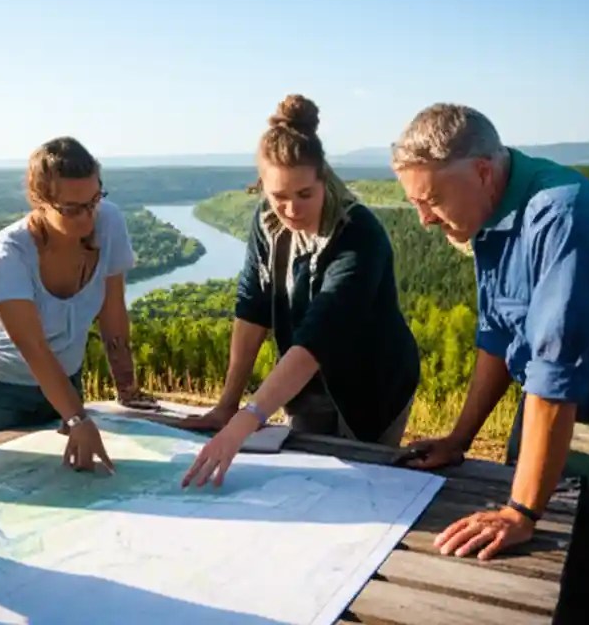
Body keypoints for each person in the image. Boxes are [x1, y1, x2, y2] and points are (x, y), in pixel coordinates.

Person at [388, 103, 589, 623]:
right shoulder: (489, 210)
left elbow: (556, 370)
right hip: (544, 412)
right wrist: (460, 439)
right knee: (528, 587)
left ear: (482, 171)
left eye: (432, 199)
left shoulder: (562, 215)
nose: (425, 219)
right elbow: (499, 336)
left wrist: (522, 511)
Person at [180, 94, 421, 488]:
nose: (291, 209)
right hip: (303, 381)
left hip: (372, 383)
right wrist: (227, 405)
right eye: (278, 197)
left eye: (305, 194)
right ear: (262, 188)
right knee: (306, 477)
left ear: (323, 179)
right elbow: (252, 307)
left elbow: (321, 336)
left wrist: (246, 421)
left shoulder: (359, 235)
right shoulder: (267, 222)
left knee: (359, 483)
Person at [0, 137, 148, 471]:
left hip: (66, 382)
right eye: (72, 209)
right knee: (4, 488)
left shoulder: (109, 222)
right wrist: (77, 419)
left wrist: (127, 388)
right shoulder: (9, 253)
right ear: (38, 200)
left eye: (94, 201)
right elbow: (34, 349)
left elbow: (113, 312)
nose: (87, 217)